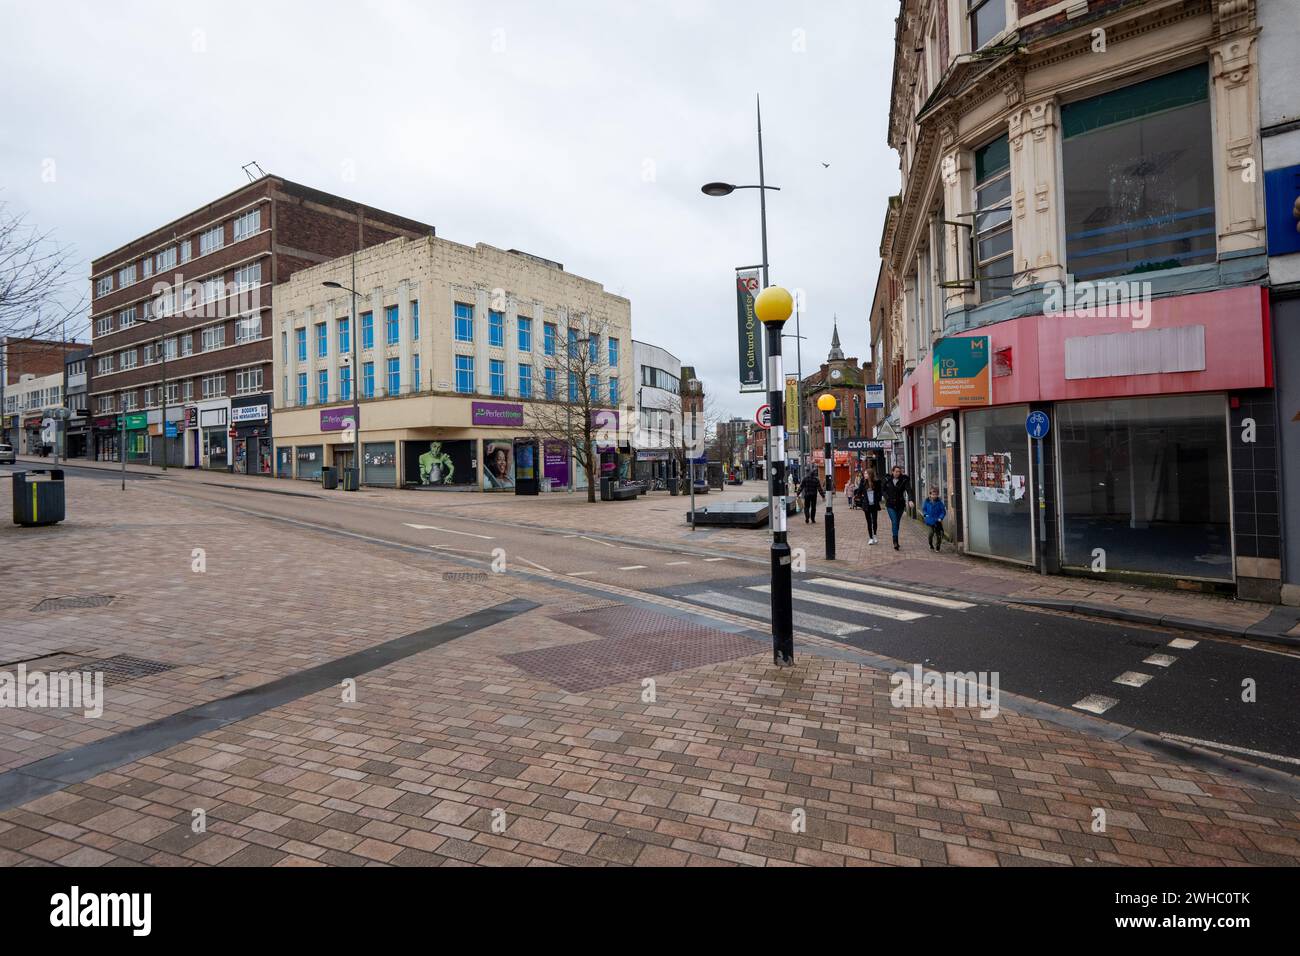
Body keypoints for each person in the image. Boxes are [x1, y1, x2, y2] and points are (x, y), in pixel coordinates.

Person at [881, 464, 912, 550]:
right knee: (894, 521)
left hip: (900, 505)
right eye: (896, 471)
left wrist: (910, 500)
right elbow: (882, 490)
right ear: (892, 472)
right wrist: (887, 498)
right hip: (890, 505)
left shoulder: (904, 480)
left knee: (897, 523)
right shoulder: (887, 479)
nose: (898, 473)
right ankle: (895, 541)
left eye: (899, 471)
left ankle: (895, 536)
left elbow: (909, 490)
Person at [854, 467, 882, 545]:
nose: (864, 474)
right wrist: (857, 496)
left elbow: (880, 492)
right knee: (869, 522)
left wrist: (878, 499)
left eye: (866, 473)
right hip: (866, 505)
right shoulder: (863, 482)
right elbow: (859, 492)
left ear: (870, 474)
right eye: (864, 473)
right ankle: (870, 538)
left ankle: (875, 535)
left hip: (874, 505)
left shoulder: (877, 482)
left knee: (874, 521)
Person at [922, 486, 947, 552]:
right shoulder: (927, 502)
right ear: (930, 494)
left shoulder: (939, 503)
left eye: (936, 495)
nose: (934, 496)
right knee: (931, 533)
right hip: (929, 521)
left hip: (937, 521)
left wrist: (940, 518)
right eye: (933, 494)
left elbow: (943, 511)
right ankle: (930, 544)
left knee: (938, 535)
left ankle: (938, 546)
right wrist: (925, 514)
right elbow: (924, 509)